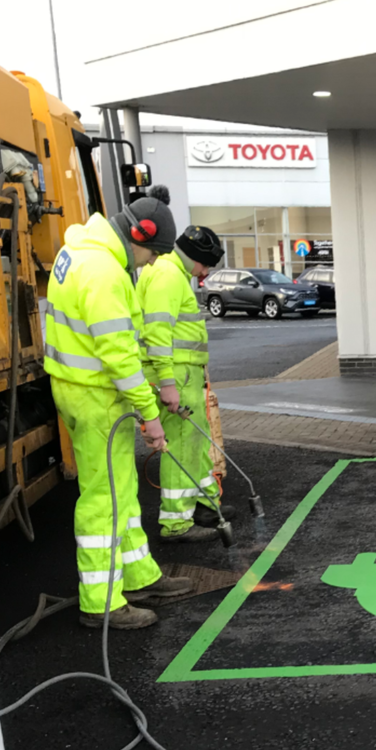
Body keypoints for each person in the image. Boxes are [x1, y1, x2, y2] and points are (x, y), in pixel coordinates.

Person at [44, 195, 194, 630]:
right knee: (103, 500)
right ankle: (102, 602)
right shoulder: (103, 272)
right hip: (94, 396)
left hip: (81, 388)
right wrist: (150, 415)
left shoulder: (80, 250)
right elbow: (119, 354)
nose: (150, 264)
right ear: (139, 236)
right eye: (153, 254)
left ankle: (138, 575)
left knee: (121, 490)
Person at [137, 223, 233, 542]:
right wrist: (167, 383)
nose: (204, 272)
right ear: (195, 256)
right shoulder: (167, 276)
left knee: (194, 441)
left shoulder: (171, 273)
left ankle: (205, 504)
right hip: (175, 375)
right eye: (205, 264)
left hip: (184, 374)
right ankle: (177, 523)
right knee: (180, 443)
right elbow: (157, 335)